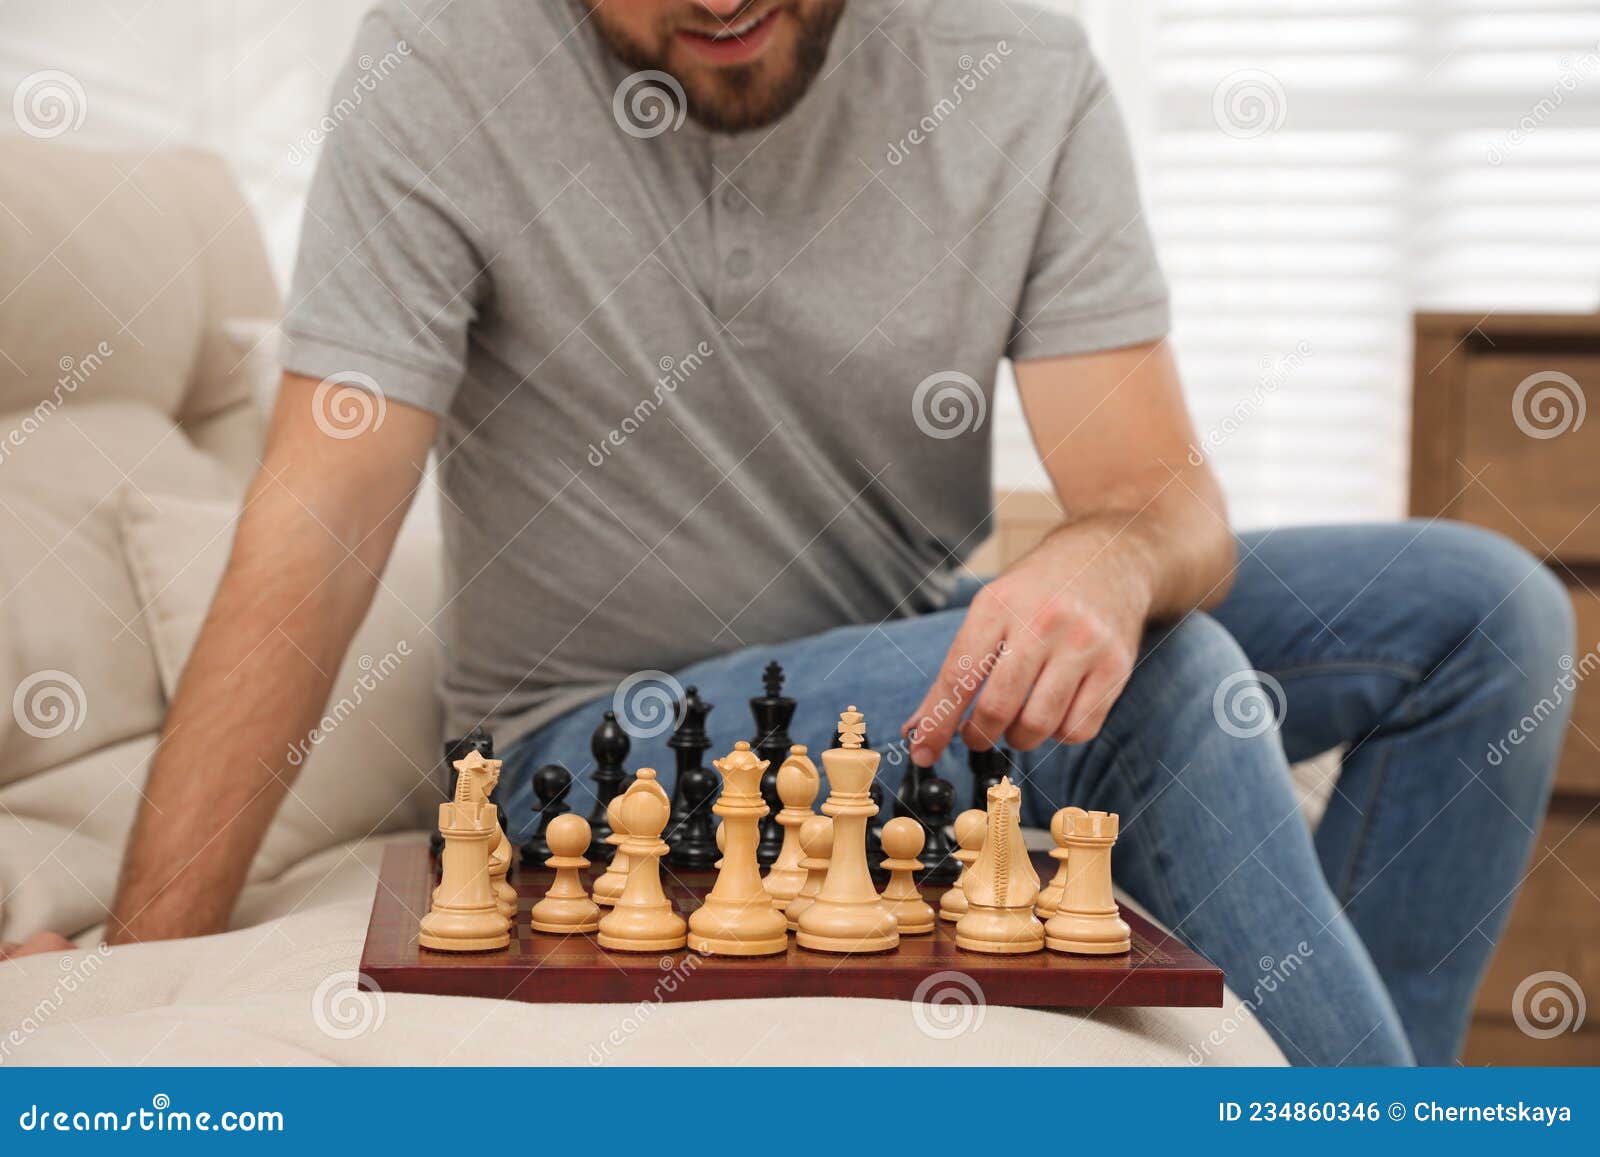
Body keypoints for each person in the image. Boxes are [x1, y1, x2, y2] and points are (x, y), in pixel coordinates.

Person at [72, 0, 1570, 1065]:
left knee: (1485, 613)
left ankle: (1374, 1100)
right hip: (598, 749)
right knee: (1165, 697)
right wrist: (140, 969)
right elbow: (314, 521)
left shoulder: (1020, 72)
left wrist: (1102, 560)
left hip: (900, 686)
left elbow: (1162, 501)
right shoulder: (438, 62)